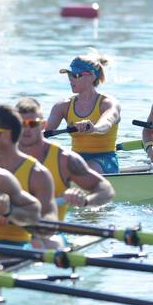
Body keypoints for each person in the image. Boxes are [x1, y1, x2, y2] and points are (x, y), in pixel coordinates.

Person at [17, 97, 115, 248]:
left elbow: (106, 190)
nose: (26, 129)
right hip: (6, 235)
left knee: (39, 243)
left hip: (48, 235)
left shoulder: (63, 159)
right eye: (21, 125)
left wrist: (85, 201)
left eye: (32, 124)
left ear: (43, 125)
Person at [0, 104, 59, 248]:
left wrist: (11, 213)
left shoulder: (38, 174)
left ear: (5, 135)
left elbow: (49, 227)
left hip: (15, 246)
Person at [45, 54, 123, 174]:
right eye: (69, 75)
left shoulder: (108, 103)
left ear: (92, 76)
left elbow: (106, 124)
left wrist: (93, 128)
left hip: (105, 160)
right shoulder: (62, 106)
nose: (71, 79)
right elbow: (44, 133)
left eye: (76, 75)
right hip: (77, 159)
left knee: (83, 169)